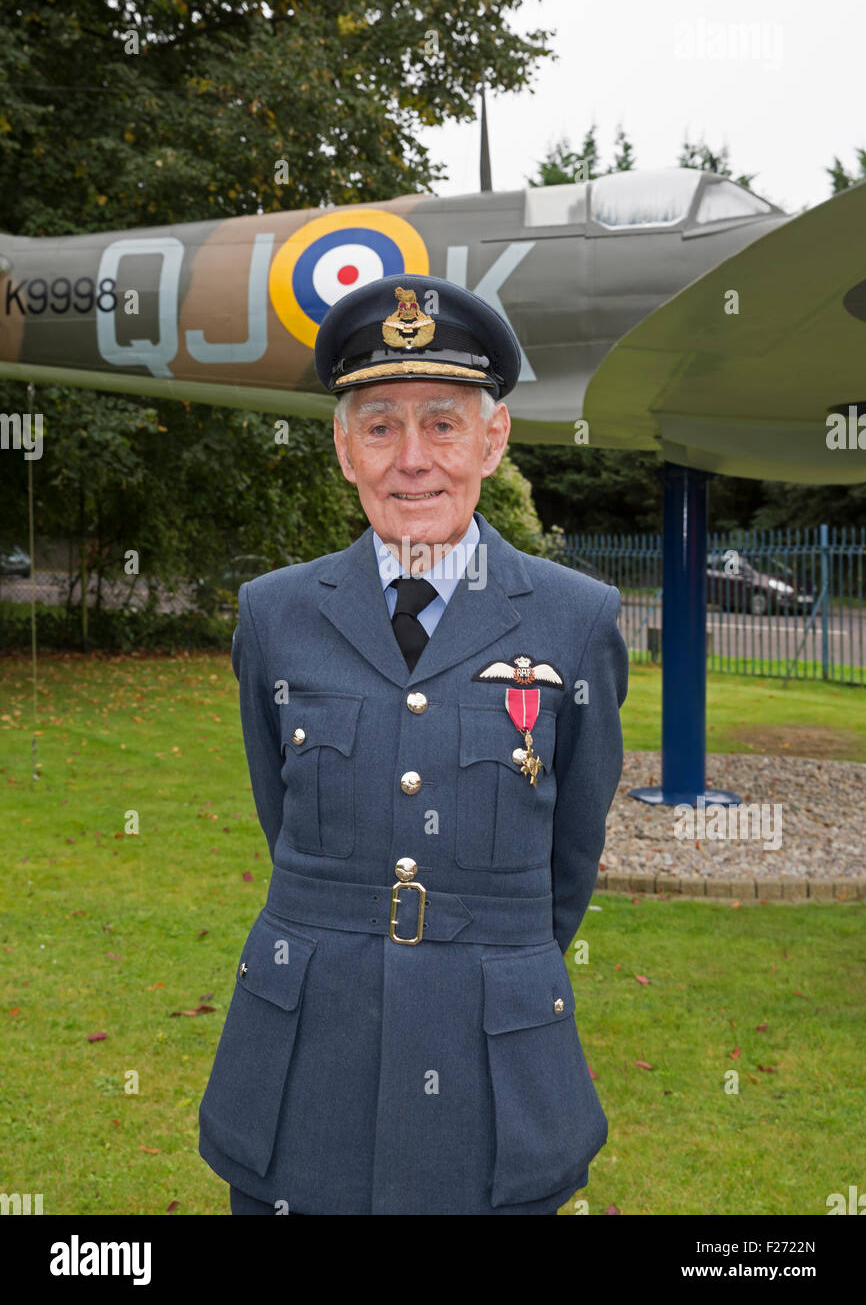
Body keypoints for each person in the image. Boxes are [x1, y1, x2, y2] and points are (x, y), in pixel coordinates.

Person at [198, 273, 629, 1215]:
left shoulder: (574, 621)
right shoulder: (275, 617)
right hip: (307, 1061)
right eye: (380, 424)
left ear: (493, 438)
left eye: (443, 421)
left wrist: (486, 954)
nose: (413, 459)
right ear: (344, 447)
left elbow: (572, 857)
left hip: (494, 1067)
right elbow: (283, 817)